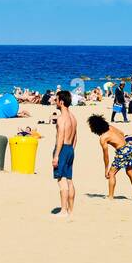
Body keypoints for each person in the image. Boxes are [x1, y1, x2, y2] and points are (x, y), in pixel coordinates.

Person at [87, 115, 132, 200]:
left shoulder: (103, 138)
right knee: (130, 172)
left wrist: (106, 169)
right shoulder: (110, 127)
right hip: (129, 148)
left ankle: (110, 196)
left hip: (122, 151)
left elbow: (106, 156)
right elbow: (122, 133)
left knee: (111, 173)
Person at [52, 90, 77, 218]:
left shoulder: (61, 119)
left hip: (62, 149)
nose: (55, 102)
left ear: (61, 102)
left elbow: (60, 138)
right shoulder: (73, 117)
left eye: (56, 100)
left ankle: (63, 210)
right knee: (69, 180)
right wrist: (71, 150)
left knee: (61, 180)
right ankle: (70, 210)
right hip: (70, 149)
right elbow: (75, 137)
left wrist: (56, 155)